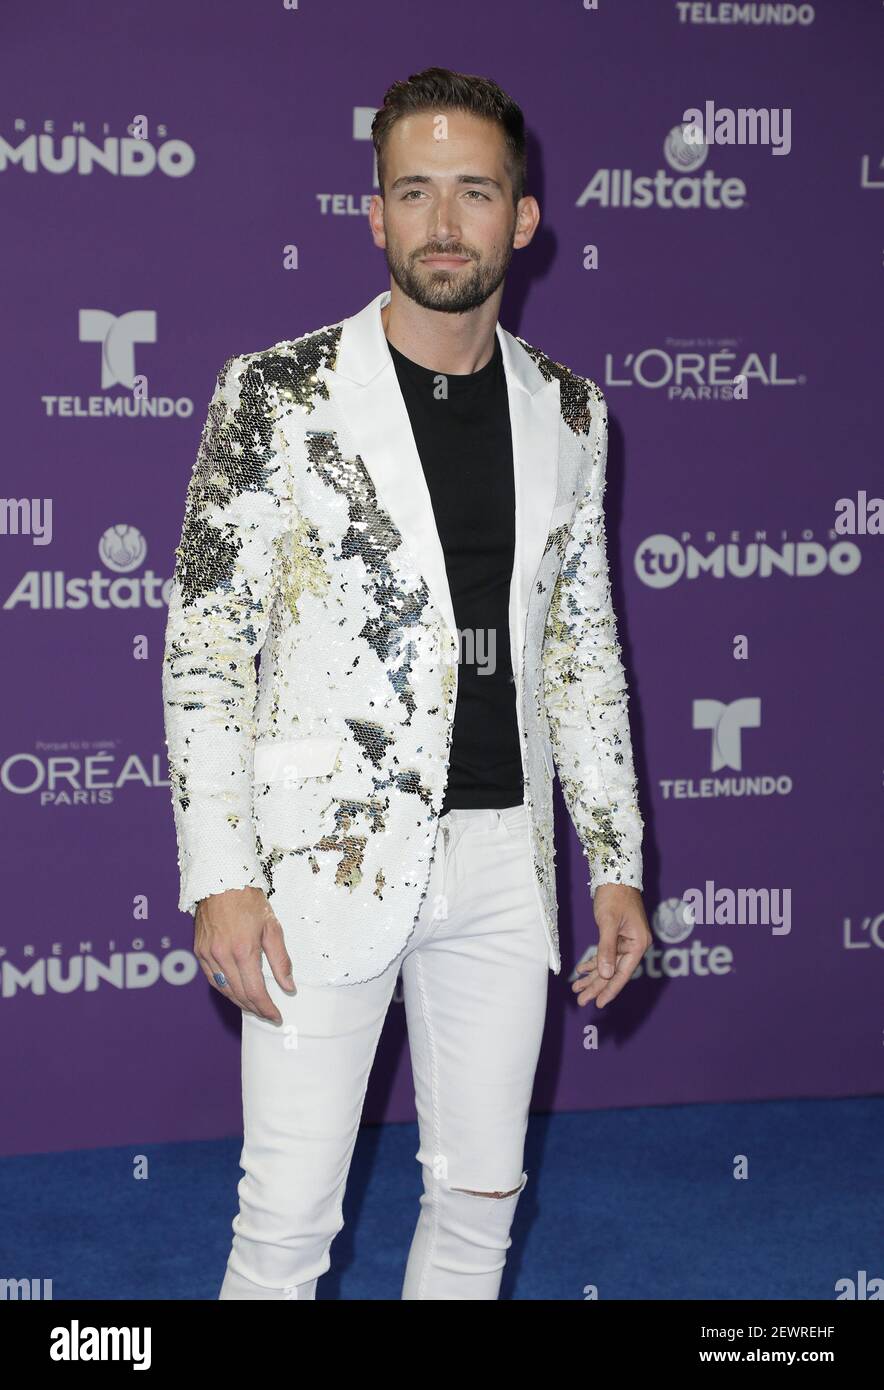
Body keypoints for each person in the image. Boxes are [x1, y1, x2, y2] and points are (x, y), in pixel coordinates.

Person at [162, 65, 649, 1301]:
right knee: (284, 1228)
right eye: (414, 193)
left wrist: (617, 857)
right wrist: (221, 873)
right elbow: (209, 645)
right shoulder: (273, 393)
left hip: (500, 858)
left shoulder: (573, 414)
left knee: (481, 1208)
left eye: (474, 193)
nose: (444, 223)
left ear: (521, 220)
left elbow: (581, 647)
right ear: (373, 215)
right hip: (318, 863)